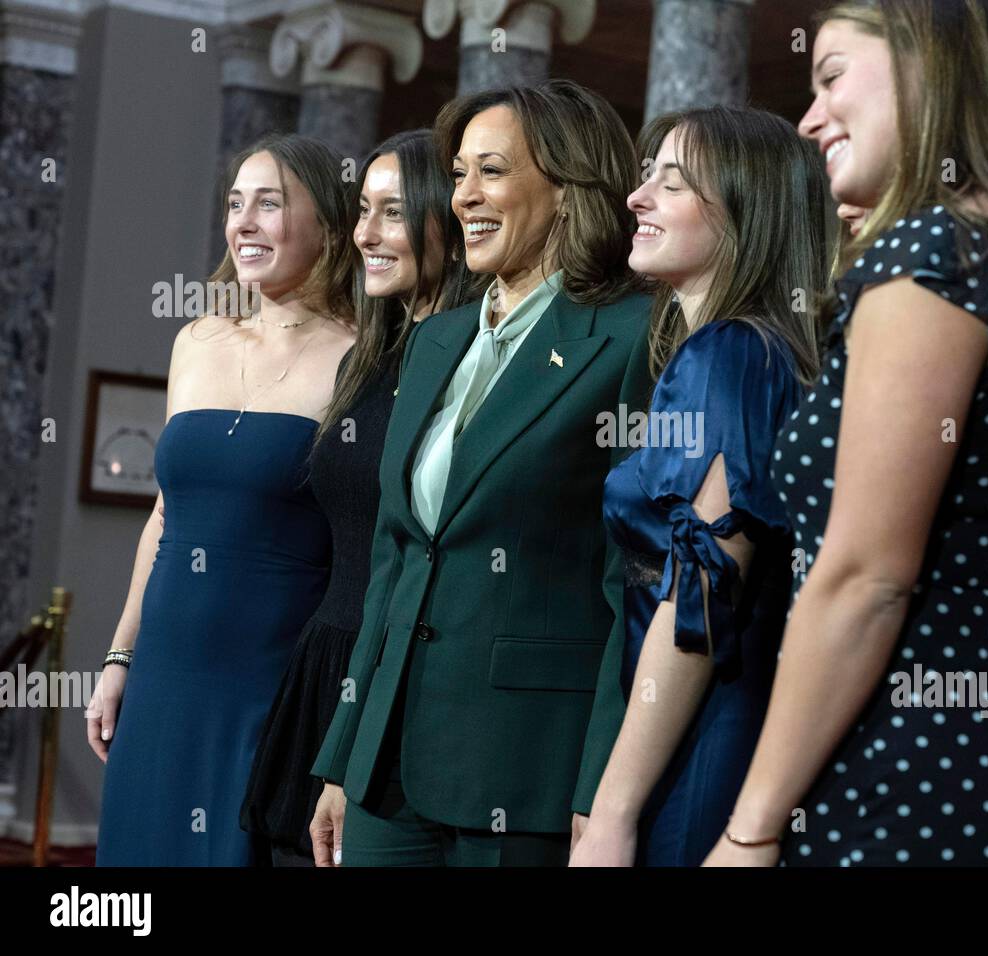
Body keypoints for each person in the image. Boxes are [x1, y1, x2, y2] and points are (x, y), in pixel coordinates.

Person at [704, 0, 988, 867]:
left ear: (927, 63)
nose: (808, 118)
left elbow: (866, 578)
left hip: (888, 792)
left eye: (832, 76)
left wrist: (750, 828)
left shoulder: (932, 255)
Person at [308, 80, 654, 867]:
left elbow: (631, 583)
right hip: (386, 775)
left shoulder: (633, 336)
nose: (463, 196)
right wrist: (342, 757)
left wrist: (599, 788)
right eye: (458, 174)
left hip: (528, 771)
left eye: (490, 171)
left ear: (568, 188)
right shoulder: (438, 340)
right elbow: (397, 560)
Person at [570, 106, 831, 867]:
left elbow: (702, 598)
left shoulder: (732, 354)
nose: (636, 198)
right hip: (702, 727)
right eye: (646, 174)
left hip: (704, 736)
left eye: (672, 183)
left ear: (750, 213)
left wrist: (613, 812)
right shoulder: (754, 349)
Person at [90, 133, 357, 866]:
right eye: (235, 204)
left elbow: (359, 540)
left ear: (329, 225)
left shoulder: (361, 357)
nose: (243, 222)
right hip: (163, 677)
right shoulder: (197, 339)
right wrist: (120, 658)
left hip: (266, 682)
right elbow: (163, 517)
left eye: (269, 203)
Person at [239, 130, 478, 866]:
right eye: (362, 211)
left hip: (397, 680)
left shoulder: (475, 365)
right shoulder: (367, 362)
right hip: (323, 666)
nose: (365, 234)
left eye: (393, 213)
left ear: (448, 222)